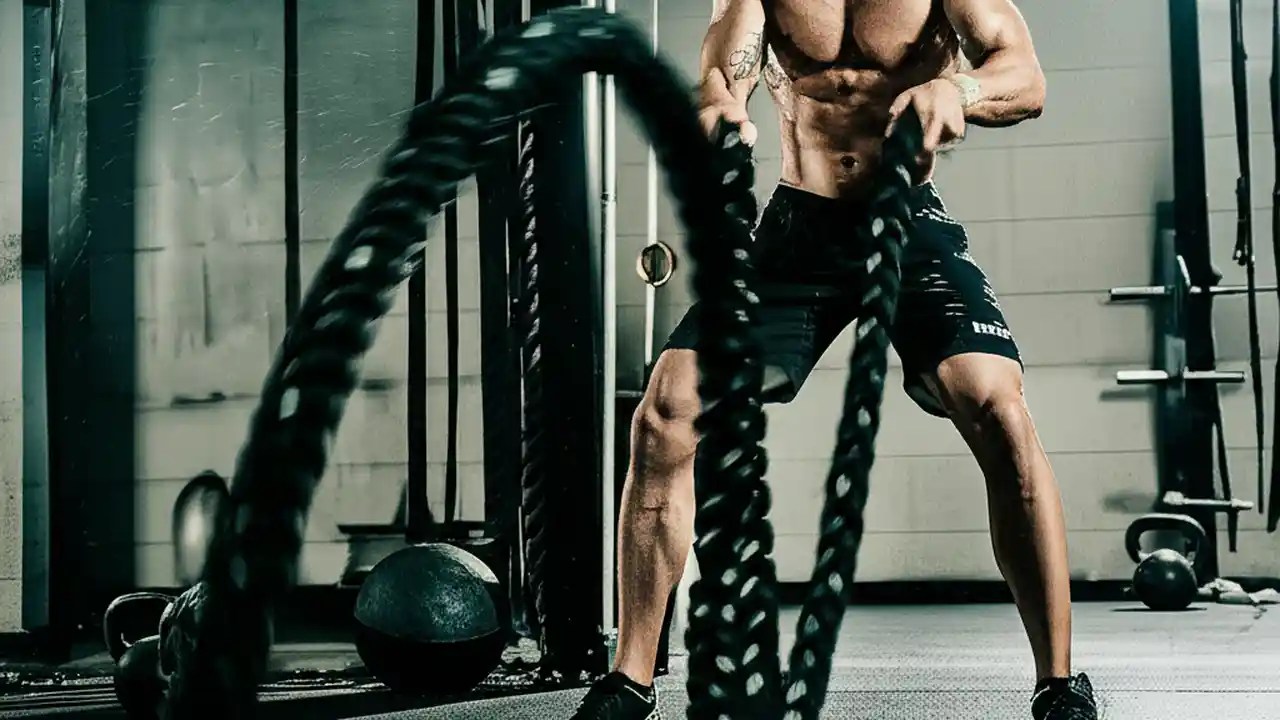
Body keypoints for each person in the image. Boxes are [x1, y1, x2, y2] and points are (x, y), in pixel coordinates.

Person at [571, 1, 1097, 718]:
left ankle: (1059, 682)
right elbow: (720, 78)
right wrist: (719, 110)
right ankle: (630, 681)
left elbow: (1026, 78)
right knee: (665, 414)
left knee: (999, 409)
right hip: (799, 230)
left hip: (909, 222)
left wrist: (960, 90)